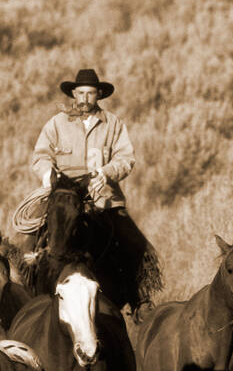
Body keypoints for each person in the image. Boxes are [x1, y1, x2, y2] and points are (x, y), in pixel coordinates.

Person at [12, 67, 158, 312]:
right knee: (25, 242)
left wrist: (107, 172)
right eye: (80, 93)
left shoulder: (113, 124)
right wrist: (49, 176)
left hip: (102, 196)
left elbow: (126, 158)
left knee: (136, 243)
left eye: (90, 94)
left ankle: (140, 299)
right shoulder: (57, 123)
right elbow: (41, 155)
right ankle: (22, 298)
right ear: (73, 94)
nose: (84, 99)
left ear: (98, 95)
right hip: (63, 194)